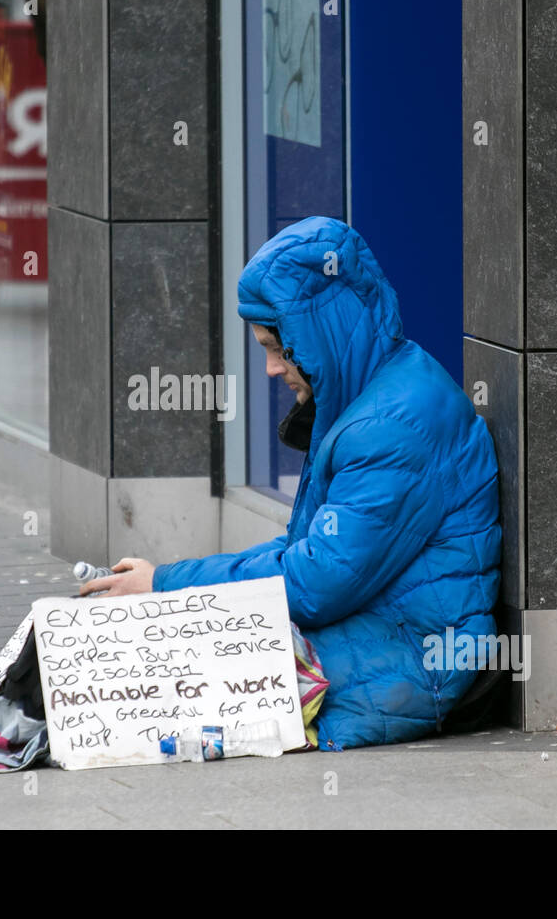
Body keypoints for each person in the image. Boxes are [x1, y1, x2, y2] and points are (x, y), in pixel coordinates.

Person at [82, 216, 503, 750]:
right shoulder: (370, 397)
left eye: (277, 349)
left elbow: (315, 584)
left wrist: (167, 586)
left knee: (156, 683)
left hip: (410, 656)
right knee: (143, 659)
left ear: (319, 334)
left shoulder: (394, 426)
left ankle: (19, 707)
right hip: (376, 629)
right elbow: (310, 558)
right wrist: (168, 589)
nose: (271, 369)